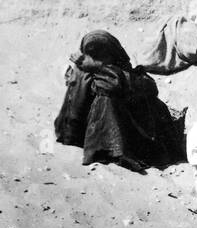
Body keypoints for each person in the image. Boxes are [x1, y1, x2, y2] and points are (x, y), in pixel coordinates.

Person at [54, 30, 185, 171]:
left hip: (139, 136)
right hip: (87, 131)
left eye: (103, 56)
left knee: (108, 99)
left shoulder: (127, 74)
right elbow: (74, 111)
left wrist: (97, 67)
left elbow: (118, 84)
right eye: (94, 56)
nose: (101, 60)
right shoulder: (84, 72)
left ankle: (110, 149)